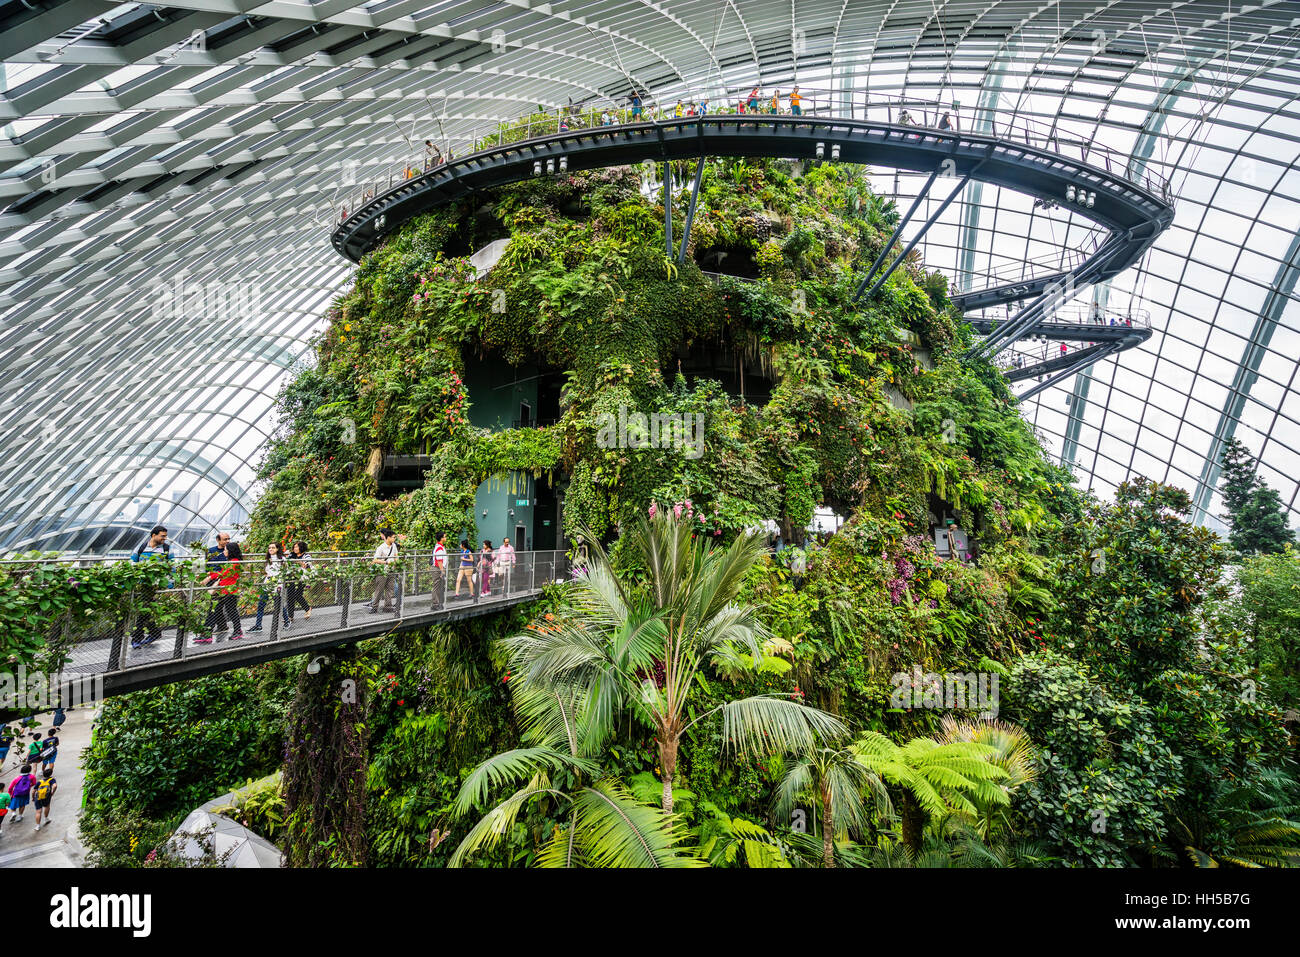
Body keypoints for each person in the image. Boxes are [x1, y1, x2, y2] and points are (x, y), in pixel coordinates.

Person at [129, 524, 171, 648]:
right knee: (146, 609)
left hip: (155, 585)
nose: (165, 538)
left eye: (165, 536)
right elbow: (132, 562)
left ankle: (137, 637)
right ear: (154, 535)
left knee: (144, 609)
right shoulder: (141, 547)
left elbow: (172, 566)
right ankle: (154, 632)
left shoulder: (167, 549)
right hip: (141, 584)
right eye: (162, 536)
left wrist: (169, 585)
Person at [199, 542, 243, 643]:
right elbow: (222, 573)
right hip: (225, 590)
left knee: (227, 610)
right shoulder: (231, 561)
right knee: (216, 609)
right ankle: (207, 633)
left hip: (229, 591)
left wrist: (210, 576)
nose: (224, 552)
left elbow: (223, 574)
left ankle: (236, 631)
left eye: (225, 550)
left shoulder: (234, 562)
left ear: (230, 551)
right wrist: (210, 575)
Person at [251, 543, 291, 633]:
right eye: (269, 548)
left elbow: (286, 571)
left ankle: (287, 621)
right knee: (261, 605)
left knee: (278, 605)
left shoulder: (282, 559)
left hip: (277, 585)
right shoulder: (268, 559)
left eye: (273, 548)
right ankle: (258, 625)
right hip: (267, 584)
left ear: (277, 549)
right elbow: (267, 571)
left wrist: (279, 579)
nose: (270, 549)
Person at [204, 532, 232, 637]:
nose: (227, 541)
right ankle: (222, 625)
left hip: (223, 581)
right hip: (213, 580)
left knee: (215, 605)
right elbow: (207, 565)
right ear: (218, 540)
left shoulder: (230, 552)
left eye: (228, 539)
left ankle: (208, 628)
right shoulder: (211, 551)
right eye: (225, 539)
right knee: (217, 605)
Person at [368, 528, 399, 613]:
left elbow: (396, 555)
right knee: (379, 589)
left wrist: (396, 563)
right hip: (382, 571)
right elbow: (375, 560)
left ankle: (388, 607)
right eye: (393, 537)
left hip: (391, 571)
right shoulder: (381, 547)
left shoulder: (394, 546)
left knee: (390, 589)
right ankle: (374, 607)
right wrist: (386, 562)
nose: (394, 539)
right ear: (388, 537)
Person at [287, 541, 312, 621]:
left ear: (301, 547)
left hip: (301, 577)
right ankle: (290, 616)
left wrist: (299, 562)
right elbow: (287, 562)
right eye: (294, 547)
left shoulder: (306, 555)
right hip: (291, 577)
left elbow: (307, 566)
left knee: (298, 595)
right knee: (290, 595)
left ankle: (307, 608)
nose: (295, 549)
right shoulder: (292, 555)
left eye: (296, 547)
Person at [31, 768, 56, 832]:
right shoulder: (52, 780)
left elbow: (33, 791)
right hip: (46, 797)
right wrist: (52, 792)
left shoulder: (40, 781)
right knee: (47, 806)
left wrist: (33, 797)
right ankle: (46, 818)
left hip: (38, 797)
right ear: (51, 774)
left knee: (38, 811)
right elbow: (55, 786)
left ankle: (37, 826)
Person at [430, 533, 448, 608]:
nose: (446, 538)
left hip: (439, 568)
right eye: (445, 537)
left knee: (440, 586)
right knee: (437, 586)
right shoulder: (439, 548)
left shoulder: (440, 547)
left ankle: (438, 602)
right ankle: (435, 604)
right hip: (438, 569)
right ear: (441, 538)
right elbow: (439, 560)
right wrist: (442, 571)